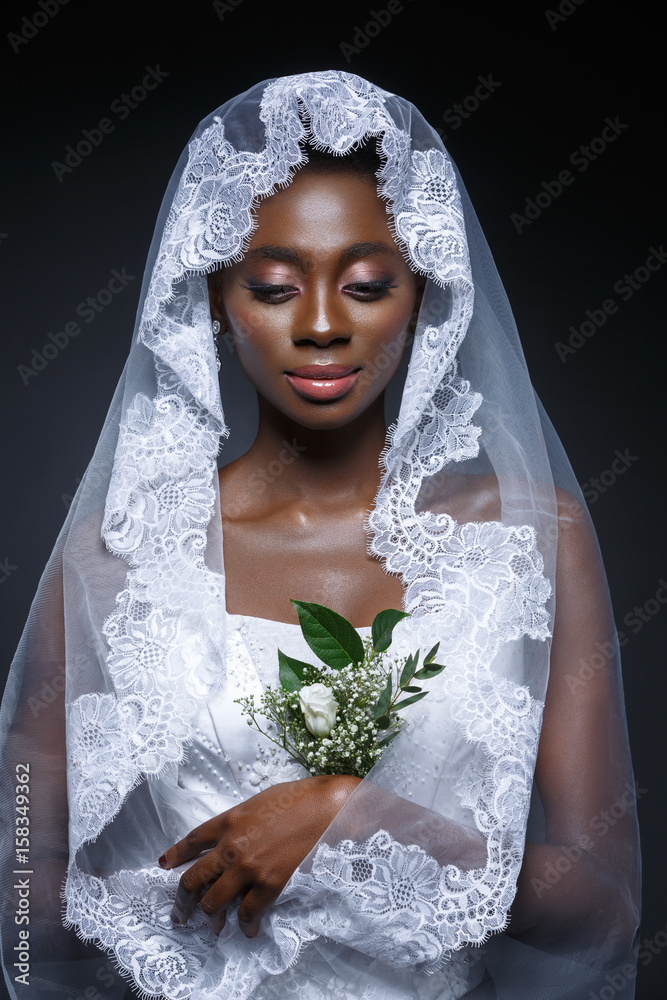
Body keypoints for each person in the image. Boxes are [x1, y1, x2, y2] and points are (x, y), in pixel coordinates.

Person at [0, 71, 640, 1000]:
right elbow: (21, 869)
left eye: (368, 284)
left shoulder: (528, 542)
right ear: (213, 296)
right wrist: (149, 924)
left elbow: (605, 904)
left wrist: (353, 814)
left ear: (423, 293)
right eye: (273, 287)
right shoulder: (117, 556)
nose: (323, 325)